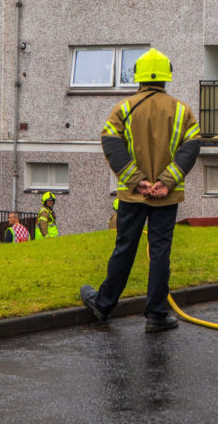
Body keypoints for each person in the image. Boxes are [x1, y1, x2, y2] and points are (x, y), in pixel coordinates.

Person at [81, 48, 200, 333]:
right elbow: (192, 146)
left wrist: (137, 181)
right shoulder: (182, 110)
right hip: (166, 196)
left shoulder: (123, 109)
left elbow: (111, 142)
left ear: (138, 77)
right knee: (160, 253)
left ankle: (104, 304)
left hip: (132, 196)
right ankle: (157, 315)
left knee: (125, 247)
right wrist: (166, 182)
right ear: (166, 78)